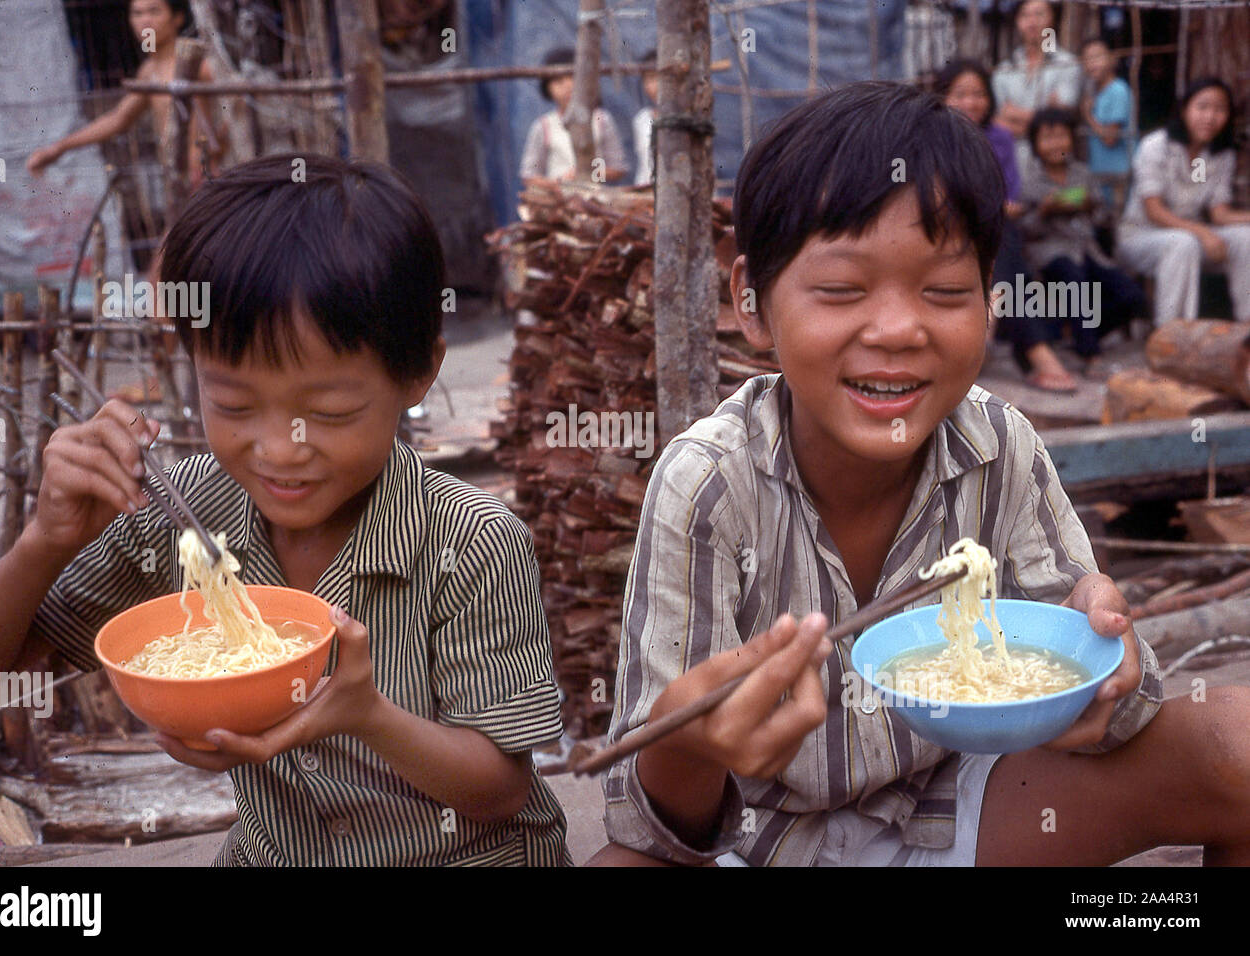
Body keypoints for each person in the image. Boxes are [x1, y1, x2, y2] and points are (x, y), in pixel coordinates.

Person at [589, 82, 1250, 867]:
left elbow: (1107, 685)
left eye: (945, 292)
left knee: (1232, 743)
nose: (900, 330)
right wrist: (694, 740)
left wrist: (1106, 662)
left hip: (961, 814)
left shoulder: (997, 444)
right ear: (751, 302)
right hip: (758, 842)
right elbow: (653, 823)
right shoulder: (708, 484)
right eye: (841, 290)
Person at [0, 155, 570, 866]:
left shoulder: (472, 543)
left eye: (330, 412)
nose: (280, 449)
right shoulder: (180, 513)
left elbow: (500, 790)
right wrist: (44, 543)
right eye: (234, 405)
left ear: (420, 373)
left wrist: (369, 717)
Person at [936, 58, 1077, 392]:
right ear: (943, 97)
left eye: (979, 94)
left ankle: (995, 306)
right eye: (961, 94)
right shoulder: (933, 136)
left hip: (992, 226)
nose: (971, 102)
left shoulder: (999, 136)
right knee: (1005, 249)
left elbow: (1010, 191)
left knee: (1003, 240)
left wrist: (994, 208)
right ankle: (1036, 354)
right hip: (947, 228)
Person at [26, 0, 227, 187]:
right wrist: (58, 148)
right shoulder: (150, 70)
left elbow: (237, 109)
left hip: (205, 179)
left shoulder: (199, 64)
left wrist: (216, 154)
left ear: (177, 18)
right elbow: (119, 118)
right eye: (137, 13)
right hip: (178, 181)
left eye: (154, 11)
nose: (145, 21)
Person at [1018, 107, 1146, 375]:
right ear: (1036, 145)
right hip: (1050, 251)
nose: (1056, 145)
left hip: (1087, 248)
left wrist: (1090, 206)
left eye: (1061, 137)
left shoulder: (1083, 174)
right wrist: (1044, 210)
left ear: (1072, 140)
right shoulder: (1031, 181)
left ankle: (1079, 335)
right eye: (1047, 138)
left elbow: (1104, 217)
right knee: (1074, 280)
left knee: (1131, 296)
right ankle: (1091, 356)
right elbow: (1026, 230)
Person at [1115, 78, 1250, 324]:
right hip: (1141, 236)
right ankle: (1170, 333)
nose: (1210, 117)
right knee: (1182, 243)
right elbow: (1154, 210)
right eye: (1202, 107)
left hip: (1193, 237)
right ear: (1185, 109)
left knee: (1245, 238)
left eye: (1220, 109)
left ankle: (1247, 324)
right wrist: (1202, 232)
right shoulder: (1157, 145)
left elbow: (1219, 214)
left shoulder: (1220, 154)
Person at [992, 0, 1081, 167]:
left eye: (1039, 14)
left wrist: (1014, 113)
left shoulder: (1067, 63)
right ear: (1018, 22)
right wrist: (1044, 120)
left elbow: (1063, 118)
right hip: (1012, 160)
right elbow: (998, 122)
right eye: (1025, 15)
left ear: (1052, 19)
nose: (1032, 22)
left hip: (1055, 164)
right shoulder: (1004, 68)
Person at [520, 47, 628, 185]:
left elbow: (618, 168)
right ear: (547, 88)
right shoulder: (543, 125)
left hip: (595, 199)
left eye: (573, 78)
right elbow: (529, 176)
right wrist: (560, 181)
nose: (568, 86)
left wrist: (591, 173)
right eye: (558, 81)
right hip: (558, 200)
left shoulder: (602, 119)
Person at [1079, 38, 1132, 219]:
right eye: (1088, 59)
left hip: (1118, 174)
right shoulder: (1098, 92)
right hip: (1104, 173)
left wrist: (1087, 115)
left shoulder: (1118, 90)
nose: (1092, 63)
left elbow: (1110, 138)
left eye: (1098, 57)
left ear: (1112, 59)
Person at [632, 50, 659, 187]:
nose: (655, 86)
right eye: (649, 79)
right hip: (648, 192)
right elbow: (644, 166)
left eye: (659, 78)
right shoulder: (641, 120)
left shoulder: (690, 119)